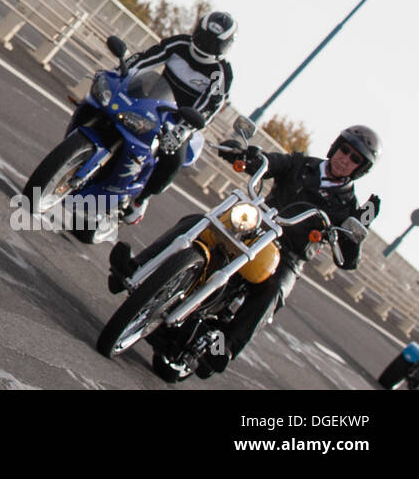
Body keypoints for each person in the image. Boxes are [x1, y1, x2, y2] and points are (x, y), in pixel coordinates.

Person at [110, 124, 381, 374]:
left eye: (355, 158)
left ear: (360, 169)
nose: (345, 159)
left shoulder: (347, 207)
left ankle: (225, 348)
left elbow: (347, 261)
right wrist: (246, 155)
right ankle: (135, 268)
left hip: (286, 254)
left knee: (274, 289)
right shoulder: (302, 164)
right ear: (335, 146)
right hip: (253, 226)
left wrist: (356, 229)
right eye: (344, 150)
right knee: (195, 223)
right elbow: (271, 162)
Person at [118, 11, 236, 224]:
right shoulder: (179, 43)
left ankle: (140, 200)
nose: (205, 45)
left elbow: (208, 108)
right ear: (197, 30)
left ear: (225, 46)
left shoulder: (221, 72)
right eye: (203, 37)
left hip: (180, 122)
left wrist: (182, 132)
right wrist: (122, 73)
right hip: (151, 101)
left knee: (174, 159)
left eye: (213, 42)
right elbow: (147, 58)